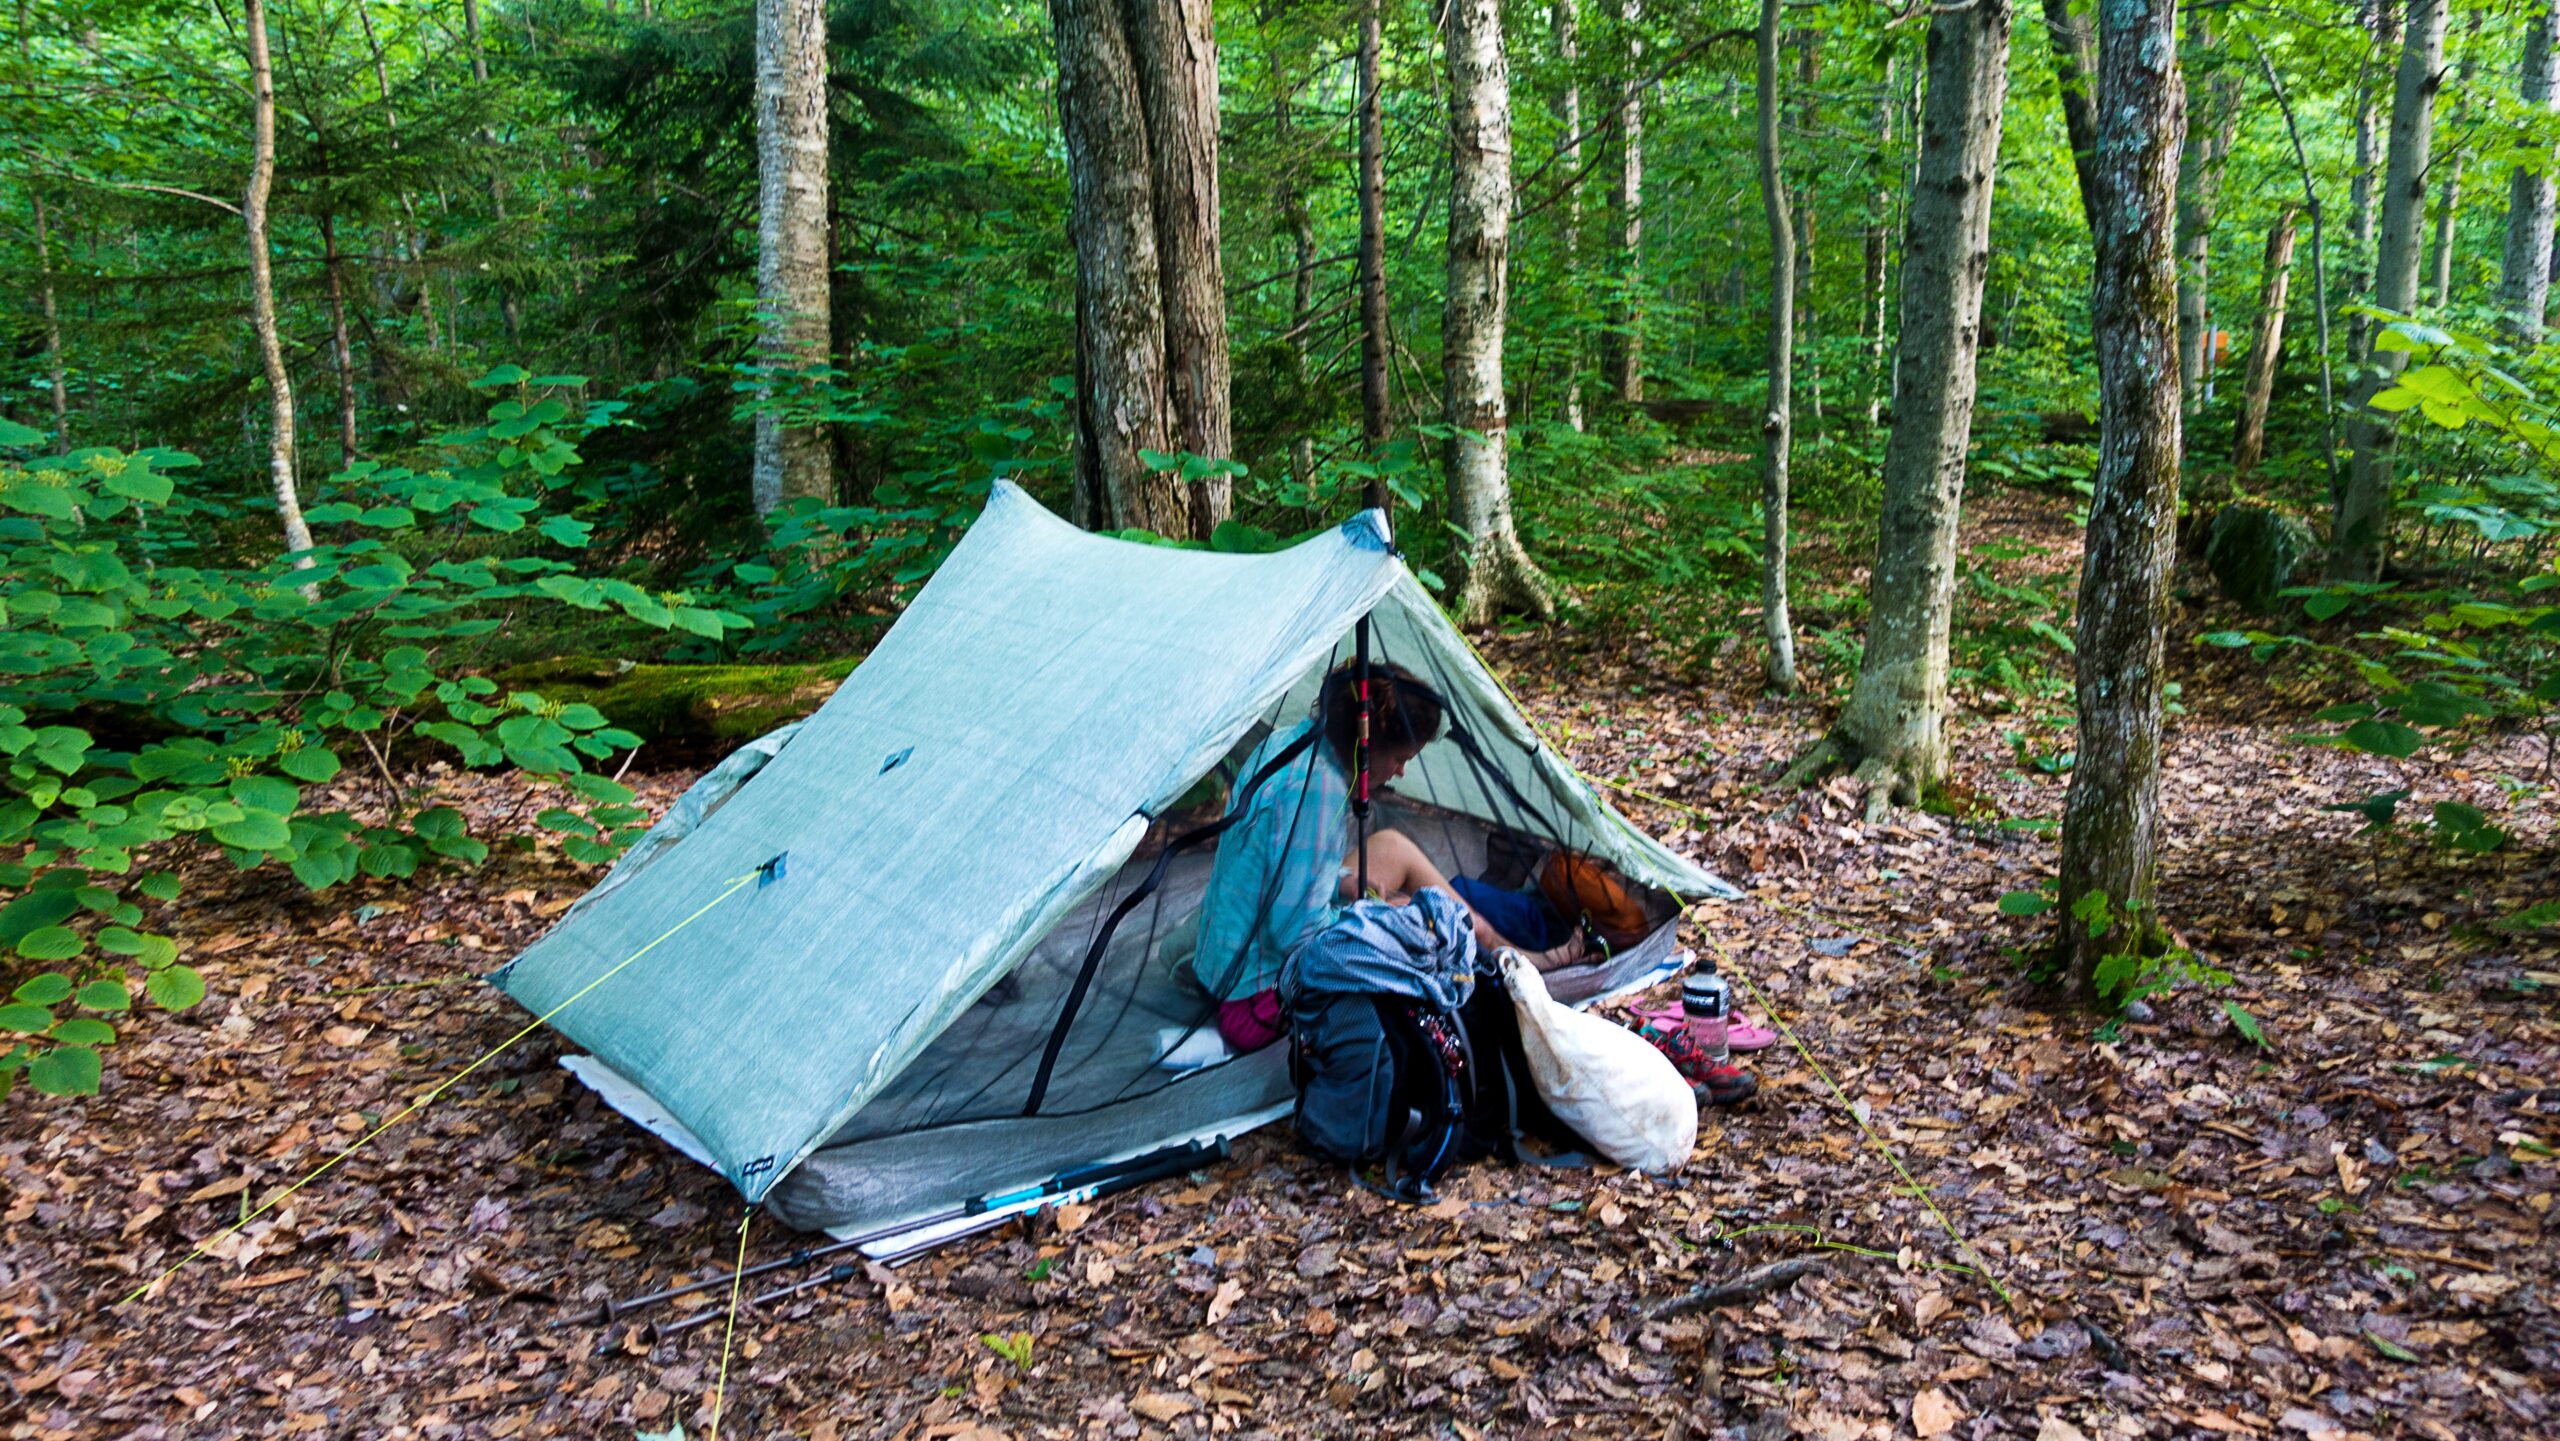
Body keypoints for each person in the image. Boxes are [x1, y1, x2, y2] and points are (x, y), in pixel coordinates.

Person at [1192, 661, 1584, 1053]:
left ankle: (1496, 944)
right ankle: (1497, 952)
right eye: (1399, 758)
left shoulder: (1289, 741)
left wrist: (1342, 882)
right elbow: (1297, 938)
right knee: (1427, 927)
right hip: (1256, 999)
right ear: (1366, 742)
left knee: (1394, 848)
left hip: (1224, 967)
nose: (1399, 772)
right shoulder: (1317, 788)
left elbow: (1276, 870)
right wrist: (1383, 916)